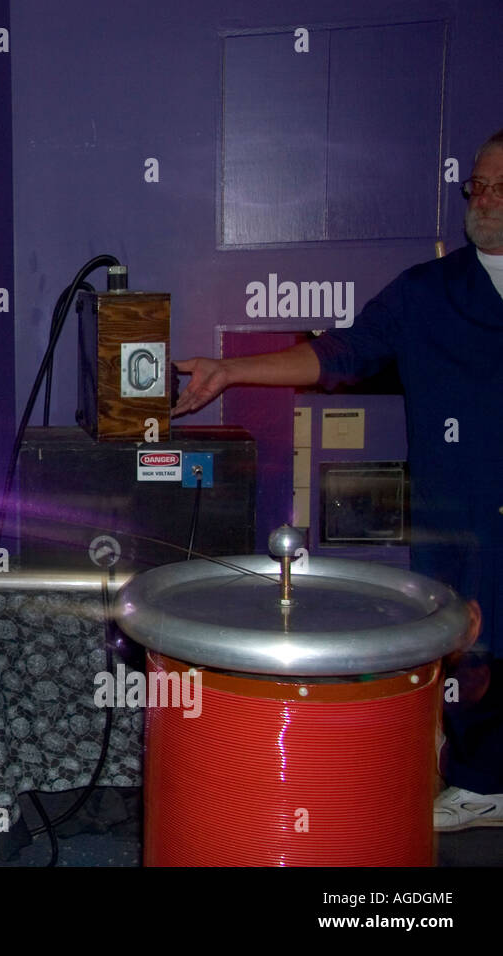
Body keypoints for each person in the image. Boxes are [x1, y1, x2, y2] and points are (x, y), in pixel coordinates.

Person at [174, 129, 503, 832]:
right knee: (469, 648)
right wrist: (233, 371)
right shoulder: (428, 294)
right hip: (464, 513)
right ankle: (480, 781)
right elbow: (336, 355)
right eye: (476, 185)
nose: (483, 200)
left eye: (500, 187)